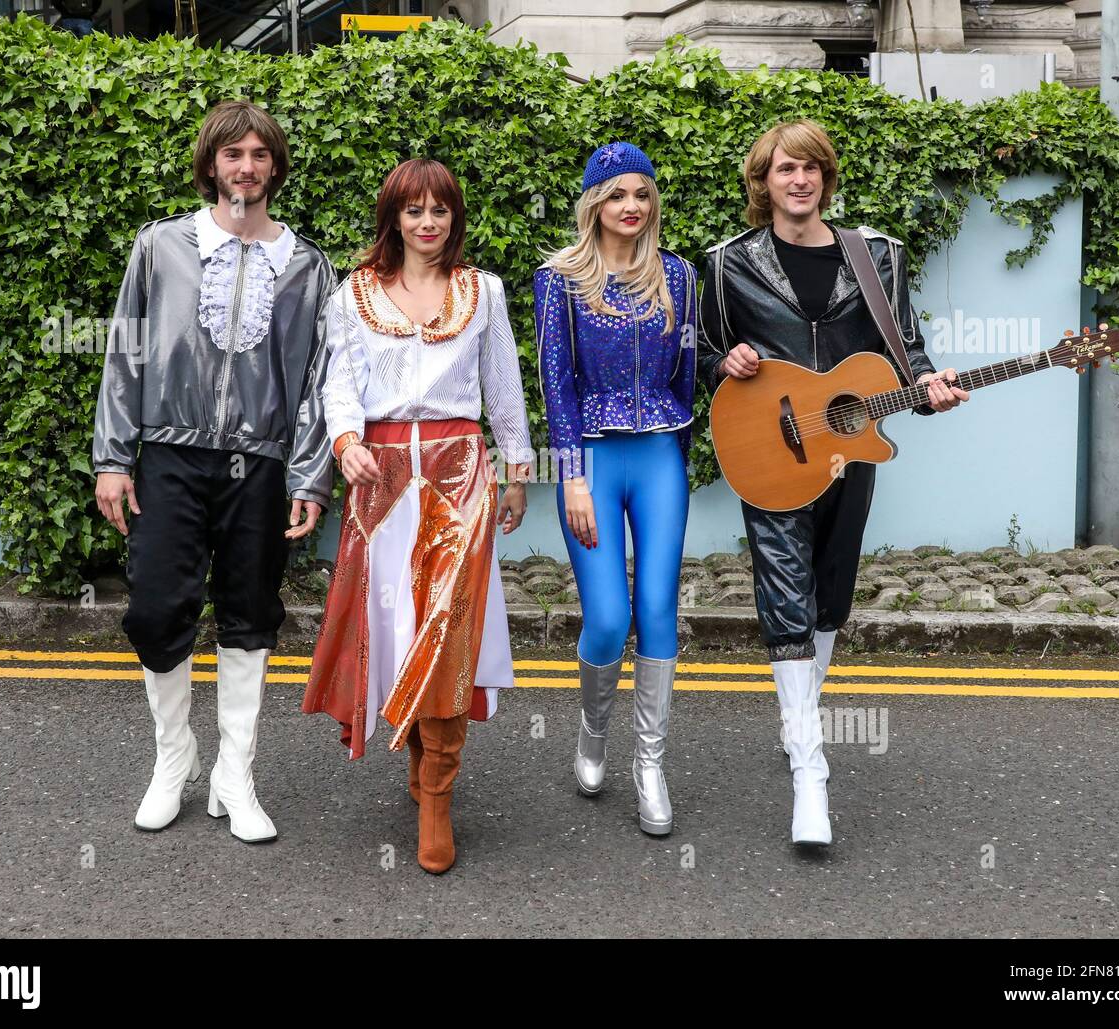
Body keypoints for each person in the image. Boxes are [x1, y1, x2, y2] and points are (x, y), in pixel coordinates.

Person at [697, 119, 967, 847]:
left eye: (812, 167)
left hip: (849, 449)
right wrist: (727, 363)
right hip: (771, 452)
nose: (800, 180)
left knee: (830, 596)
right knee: (785, 594)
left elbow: (903, 346)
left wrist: (930, 384)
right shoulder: (728, 263)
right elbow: (701, 351)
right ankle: (809, 772)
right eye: (786, 168)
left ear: (826, 176)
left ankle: (799, 726)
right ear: (764, 180)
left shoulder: (877, 254)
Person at [93, 101, 337, 844]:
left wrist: (310, 476)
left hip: (261, 464)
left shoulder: (306, 266)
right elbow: (124, 352)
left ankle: (236, 772)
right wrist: (112, 456)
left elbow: (322, 383)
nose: (247, 167)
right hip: (169, 453)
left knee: (249, 612)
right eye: (233, 154)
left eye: (260, 155)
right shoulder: (162, 246)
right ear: (211, 165)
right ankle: (175, 759)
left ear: (275, 168)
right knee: (156, 609)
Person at [302, 158, 534, 874]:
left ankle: (437, 791)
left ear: (454, 216)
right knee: (393, 628)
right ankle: (416, 744)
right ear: (393, 218)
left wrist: (518, 468)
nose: (427, 222)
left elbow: (503, 384)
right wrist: (344, 443)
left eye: (439, 210)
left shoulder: (483, 291)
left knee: (448, 628)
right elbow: (339, 382)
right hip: (380, 477)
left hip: (459, 471)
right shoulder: (355, 293)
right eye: (413, 210)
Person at [534, 142, 697, 836]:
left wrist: (680, 458)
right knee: (607, 617)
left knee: (658, 608)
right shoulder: (560, 280)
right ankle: (594, 727)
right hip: (593, 461)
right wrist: (570, 472)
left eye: (642, 193)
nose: (631, 205)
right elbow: (556, 383)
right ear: (593, 202)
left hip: (660, 451)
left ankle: (650, 765)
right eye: (617, 193)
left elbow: (687, 372)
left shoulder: (680, 276)